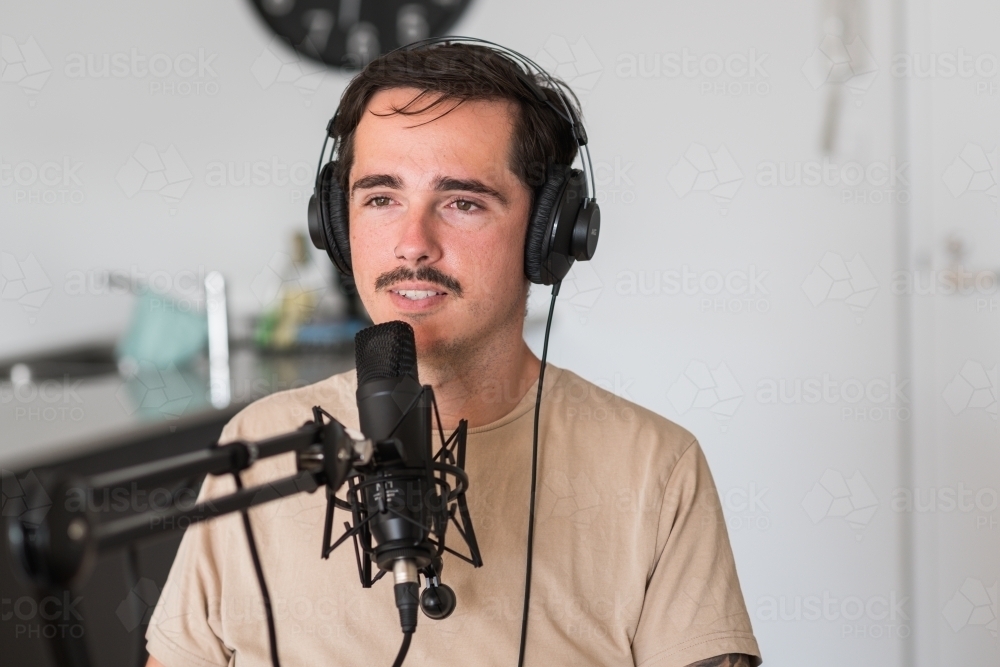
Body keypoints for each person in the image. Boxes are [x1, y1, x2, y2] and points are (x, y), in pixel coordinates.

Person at [146, 42, 762, 667]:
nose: (413, 246)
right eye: (381, 198)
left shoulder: (655, 469)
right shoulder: (262, 445)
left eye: (462, 203)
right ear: (336, 222)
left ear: (549, 234)